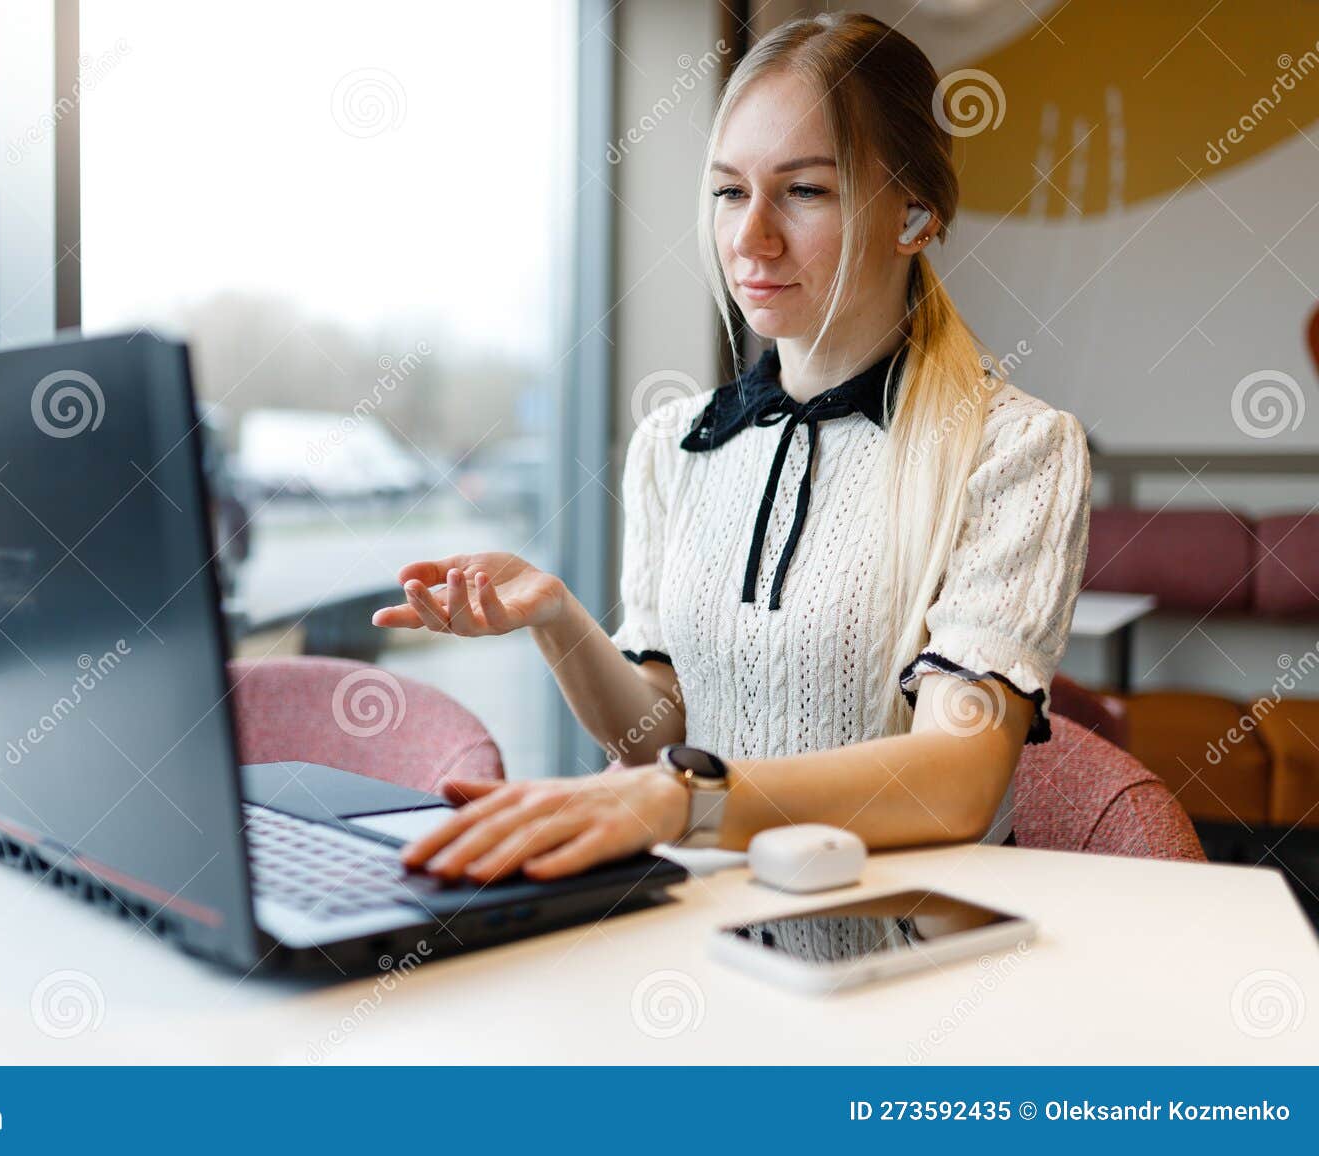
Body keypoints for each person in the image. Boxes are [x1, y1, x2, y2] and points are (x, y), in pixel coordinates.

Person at [370, 11, 1090, 885]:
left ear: (913, 214)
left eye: (805, 191)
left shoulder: (1015, 447)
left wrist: (686, 801)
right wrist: (558, 618)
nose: (751, 239)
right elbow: (658, 734)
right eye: (729, 192)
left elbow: (959, 779)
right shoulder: (675, 445)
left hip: (906, 961)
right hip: (708, 945)